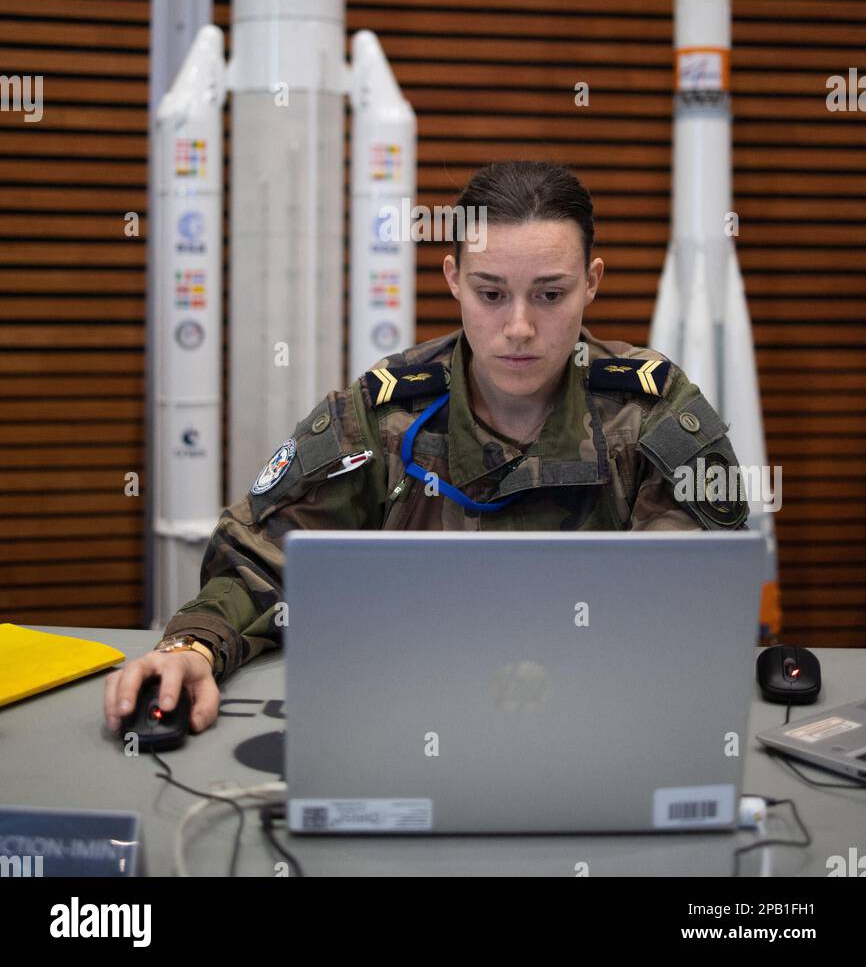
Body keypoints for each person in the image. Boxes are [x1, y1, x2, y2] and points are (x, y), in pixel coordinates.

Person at [104, 160, 747, 736]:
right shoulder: (383, 414)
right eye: (490, 293)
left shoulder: (652, 411)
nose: (519, 327)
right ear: (454, 280)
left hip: (602, 727)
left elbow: (692, 602)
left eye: (551, 294)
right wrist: (192, 647)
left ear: (592, 283)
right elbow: (259, 558)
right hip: (405, 721)